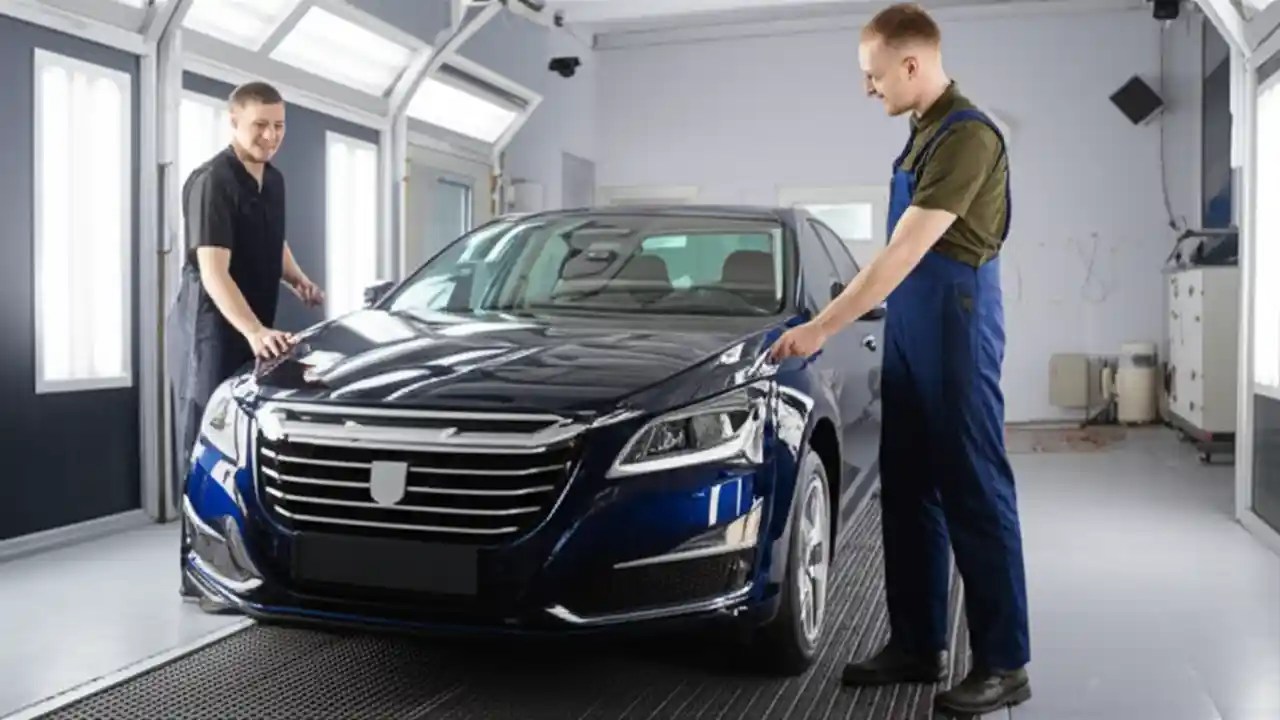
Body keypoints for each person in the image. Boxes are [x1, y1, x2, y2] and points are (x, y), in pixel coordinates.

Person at [769, 3, 1030, 715]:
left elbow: (904, 252)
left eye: (874, 75)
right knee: (908, 487)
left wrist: (823, 326)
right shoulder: (922, 131)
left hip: (956, 322)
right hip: (913, 327)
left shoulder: (968, 136)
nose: (868, 88)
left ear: (911, 64)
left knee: (975, 489)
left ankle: (1005, 661)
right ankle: (918, 643)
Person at [167, 81, 323, 508]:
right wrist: (255, 331)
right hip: (209, 328)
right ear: (233, 121)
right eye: (260, 125)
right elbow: (213, 272)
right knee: (208, 431)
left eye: (279, 125)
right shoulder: (213, 181)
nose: (271, 136)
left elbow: (273, 239)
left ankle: (242, 525)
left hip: (254, 324)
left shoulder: (274, 180)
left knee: (244, 427)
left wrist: (297, 279)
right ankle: (199, 529)